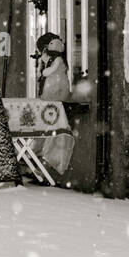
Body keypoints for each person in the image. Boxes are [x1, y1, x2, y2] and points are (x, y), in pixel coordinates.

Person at [29, 32, 75, 176]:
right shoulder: (48, 59)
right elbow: (39, 75)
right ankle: (37, 159)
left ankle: (46, 161)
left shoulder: (58, 60)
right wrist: (42, 62)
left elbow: (48, 72)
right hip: (48, 98)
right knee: (45, 128)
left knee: (53, 130)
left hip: (58, 96)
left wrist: (43, 69)